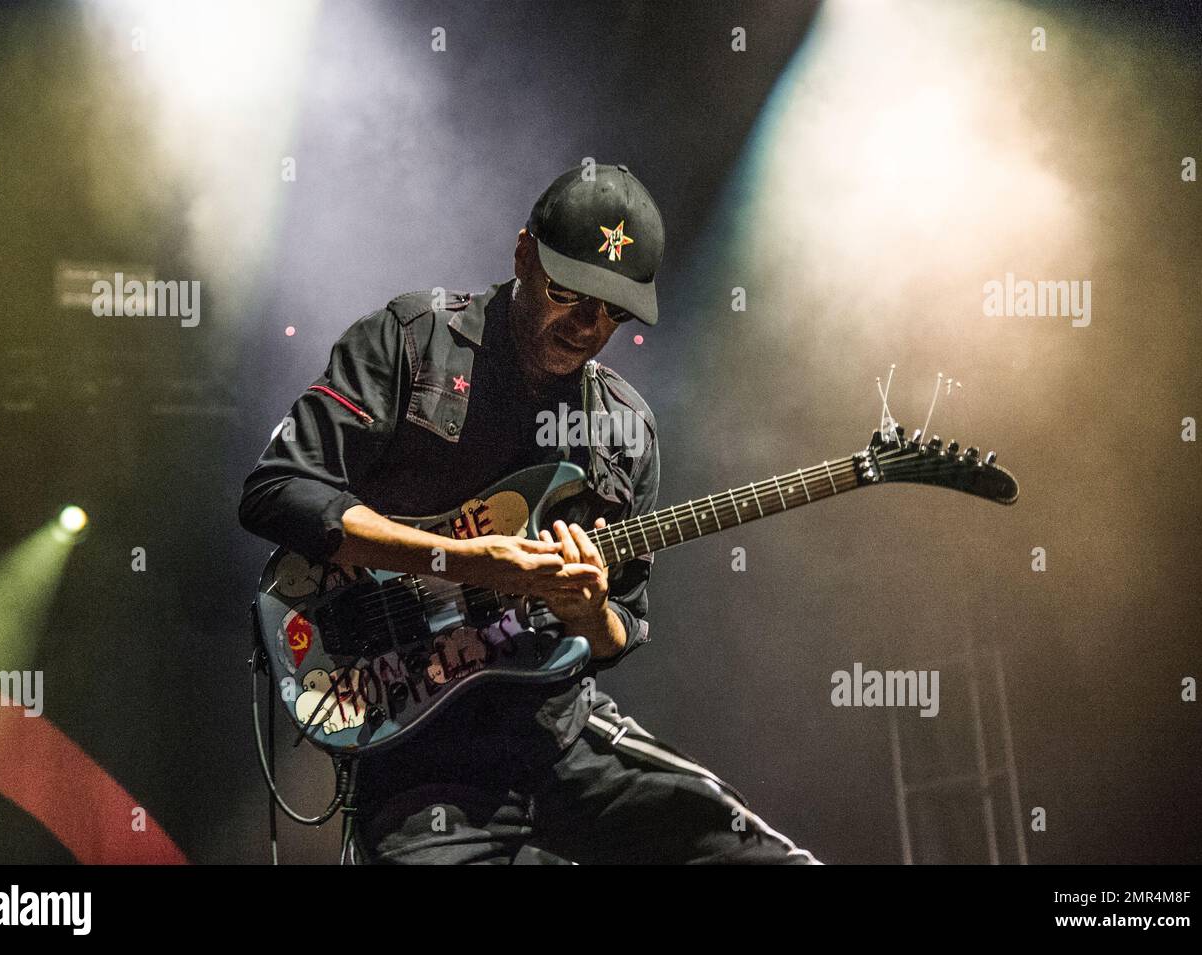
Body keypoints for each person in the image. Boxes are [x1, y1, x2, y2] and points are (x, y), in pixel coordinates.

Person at [240, 163, 820, 864]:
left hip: (560, 740)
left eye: (613, 310)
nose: (587, 324)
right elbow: (277, 488)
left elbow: (618, 631)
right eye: (569, 293)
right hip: (417, 765)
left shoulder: (624, 428)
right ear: (523, 254)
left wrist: (588, 610)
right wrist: (460, 559)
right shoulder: (415, 338)